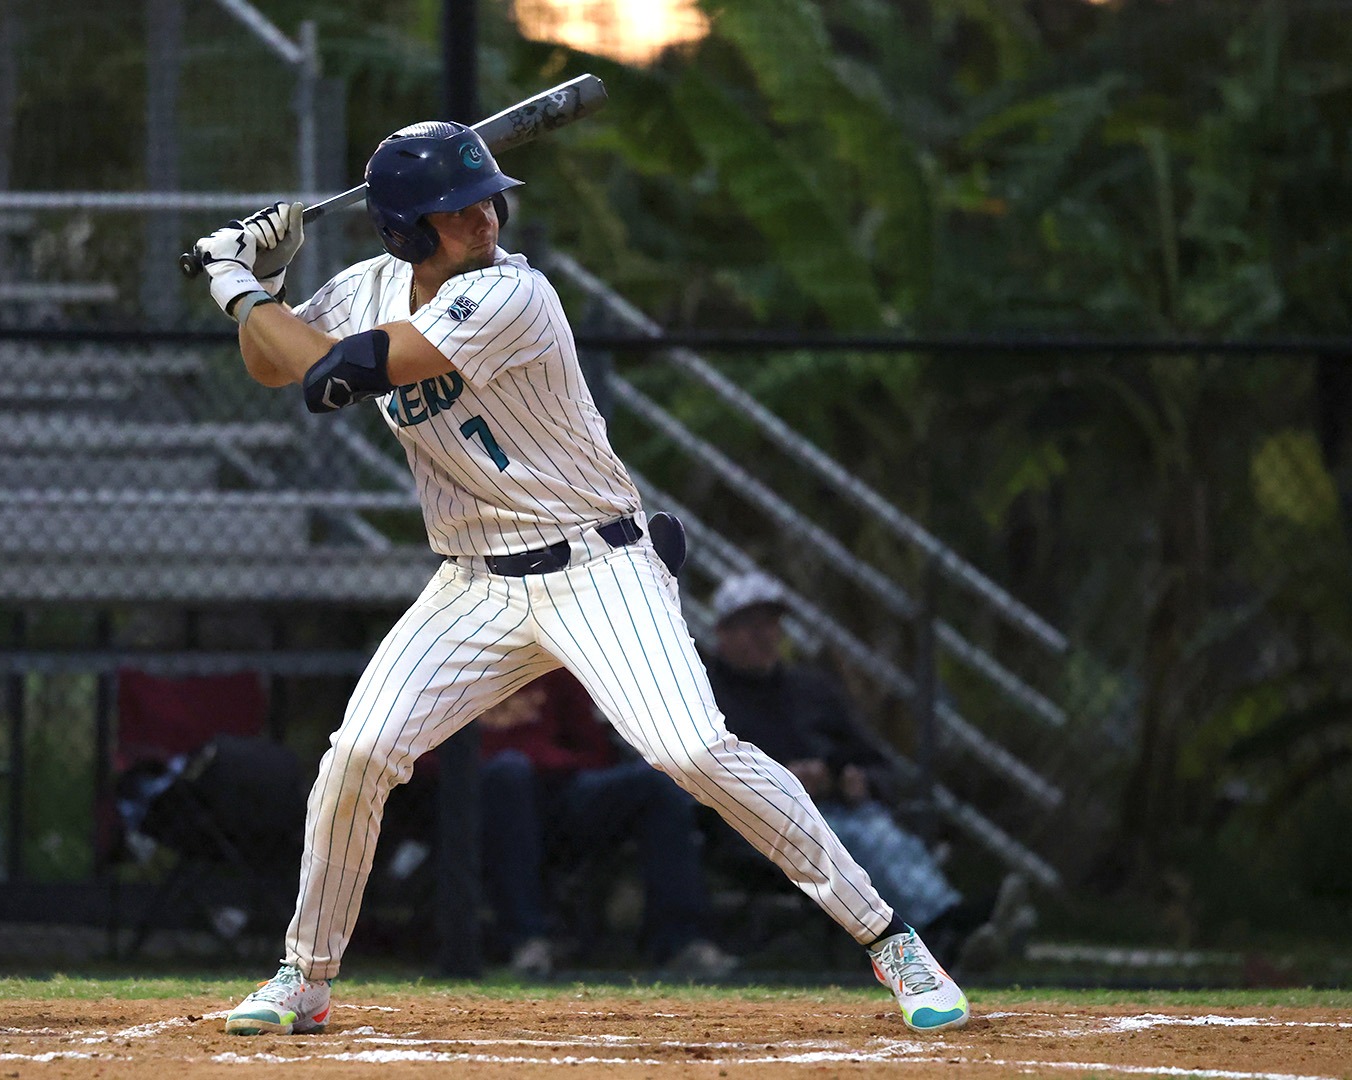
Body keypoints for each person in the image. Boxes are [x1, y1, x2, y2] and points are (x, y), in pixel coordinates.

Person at [189, 120, 971, 1034]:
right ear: (404, 228)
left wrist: (235, 283)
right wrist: (269, 288)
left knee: (691, 752)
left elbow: (336, 375)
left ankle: (889, 940)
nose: (481, 215)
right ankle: (304, 977)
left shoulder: (515, 294)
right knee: (359, 754)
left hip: (597, 566)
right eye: (453, 208)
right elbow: (270, 367)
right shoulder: (365, 285)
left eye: (483, 197)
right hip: (473, 583)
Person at [702, 572, 1035, 971]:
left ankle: (949, 931)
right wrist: (781, 778)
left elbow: (878, 764)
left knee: (877, 829)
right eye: (750, 625)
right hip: (761, 822)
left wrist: (859, 781)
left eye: (771, 624)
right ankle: (952, 928)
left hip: (841, 809)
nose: (764, 636)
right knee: (864, 836)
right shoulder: (705, 693)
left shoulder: (811, 690)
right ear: (721, 631)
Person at [473, 669, 733, 981]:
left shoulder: (549, 668)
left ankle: (681, 943)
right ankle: (527, 942)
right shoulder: (450, 667)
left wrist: (545, 763)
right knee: (509, 773)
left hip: (557, 791)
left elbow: (594, 751)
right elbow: (424, 757)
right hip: (475, 804)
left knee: (655, 782)